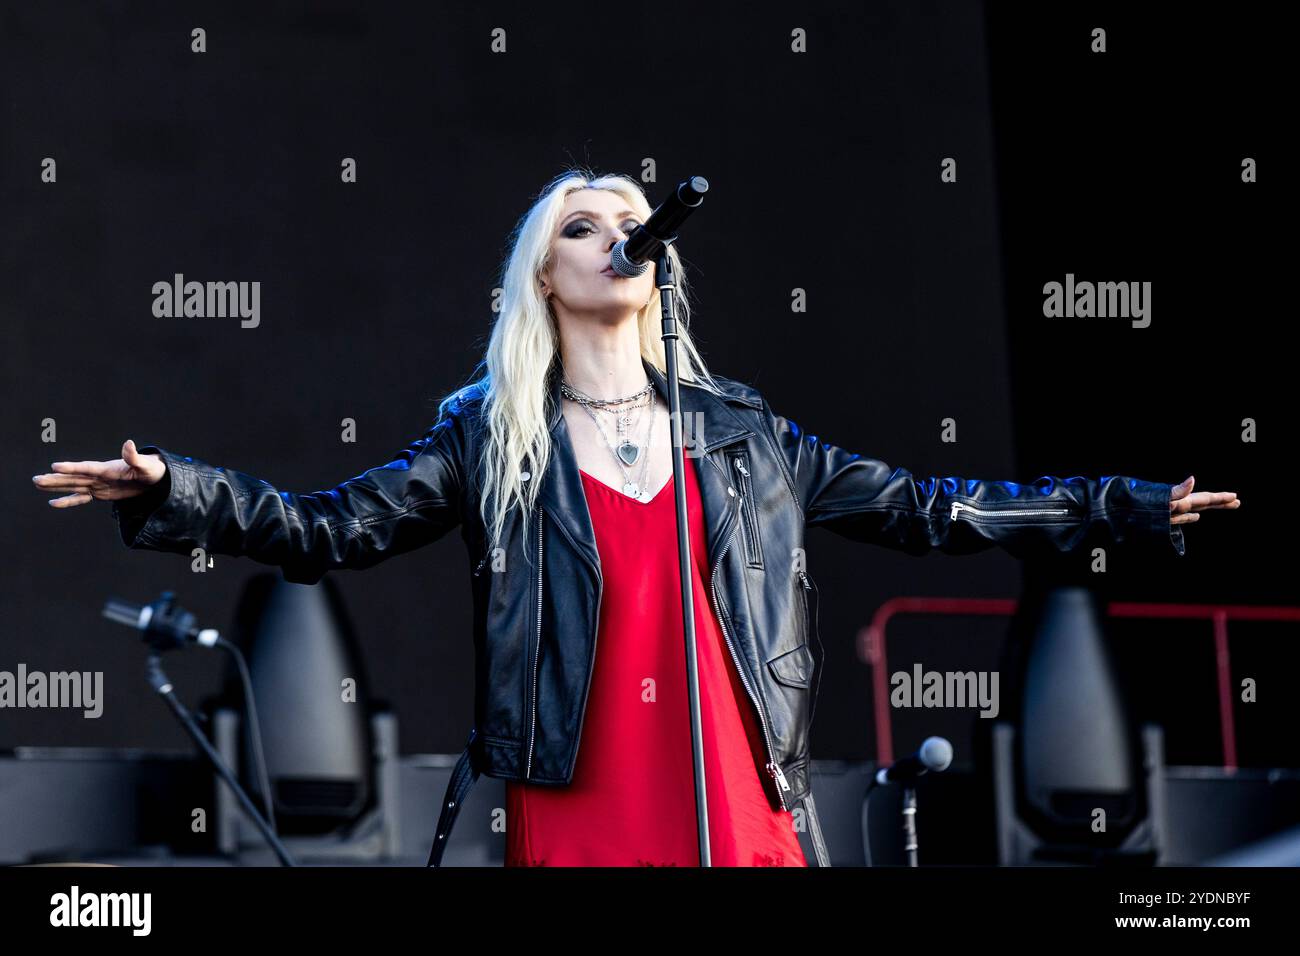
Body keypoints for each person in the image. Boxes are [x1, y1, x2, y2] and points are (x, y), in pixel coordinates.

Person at [31, 168, 1241, 867]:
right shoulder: (486, 437)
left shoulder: (744, 434)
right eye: (580, 223)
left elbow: (934, 509)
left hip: (739, 797)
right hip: (582, 800)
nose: (616, 232)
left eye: (628, 217)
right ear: (542, 277)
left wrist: (1118, 504)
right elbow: (325, 527)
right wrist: (177, 488)